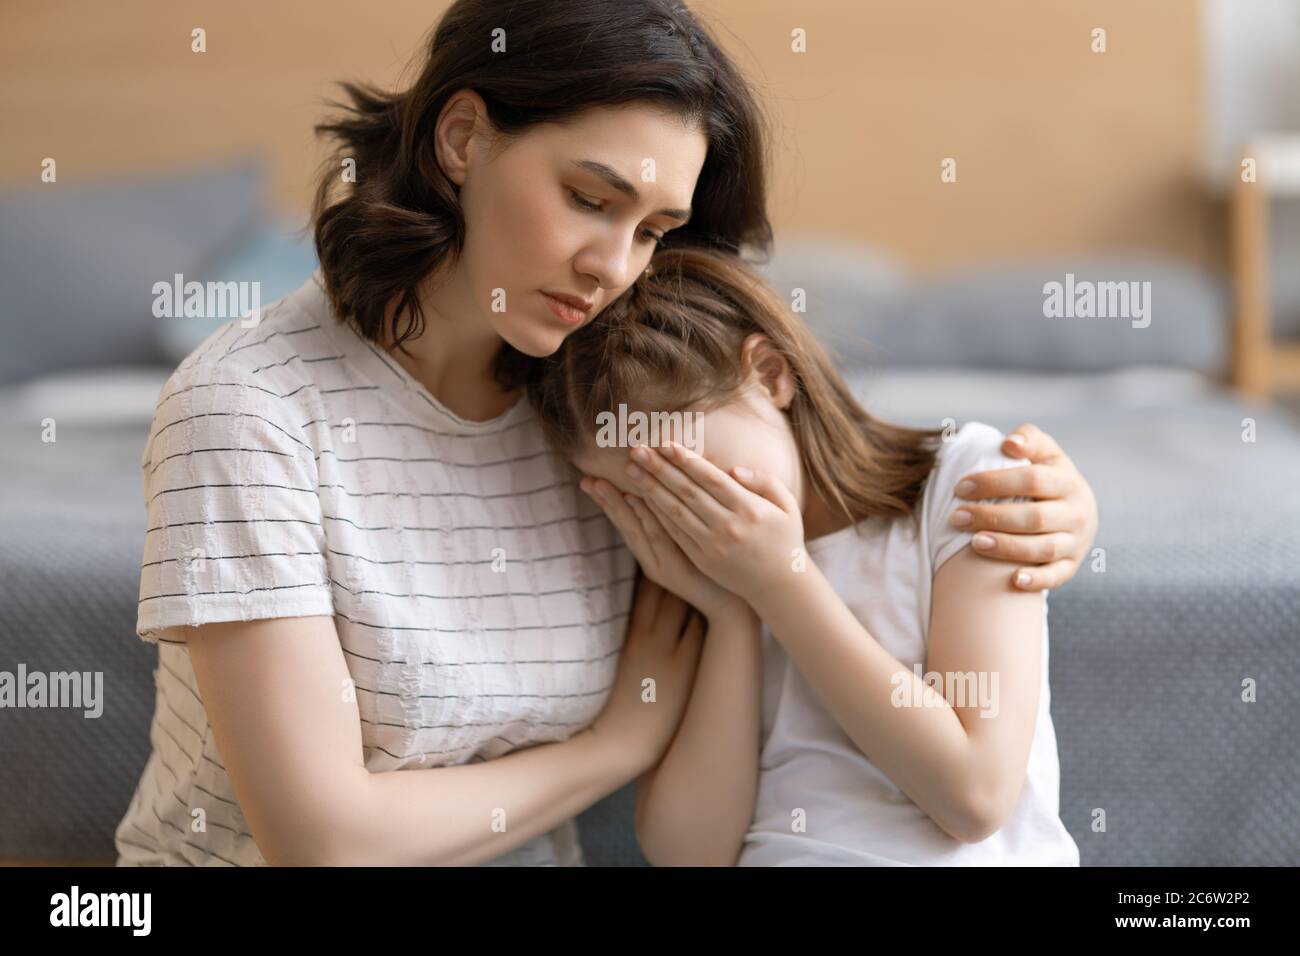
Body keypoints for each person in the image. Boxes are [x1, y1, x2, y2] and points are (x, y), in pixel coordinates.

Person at [115, 0, 1097, 867]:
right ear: (461, 138)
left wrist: (1057, 503)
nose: (613, 268)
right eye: (589, 198)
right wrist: (612, 749)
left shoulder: (590, 398)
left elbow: (811, 451)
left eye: (654, 228)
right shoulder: (252, 407)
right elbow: (321, 843)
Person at [531, 245, 1083, 865]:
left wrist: (781, 584)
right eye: (646, 503)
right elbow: (689, 854)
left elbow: (974, 798)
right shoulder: (689, 577)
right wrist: (732, 617)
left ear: (770, 376)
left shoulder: (971, 482)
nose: (694, 522)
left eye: (695, 481)